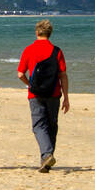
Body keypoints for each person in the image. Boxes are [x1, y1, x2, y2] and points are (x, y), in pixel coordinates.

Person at [17, 19, 70, 172]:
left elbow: (20, 74)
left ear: (36, 32)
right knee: (52, 126)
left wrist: (29, 84)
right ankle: (46, 159)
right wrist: (66, 97)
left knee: (39, 126)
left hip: (35, 94)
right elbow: (63, 75)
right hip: (54, 93)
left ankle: (46, 155)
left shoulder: (29, 49)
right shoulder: (57, 51)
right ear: (50, 33)